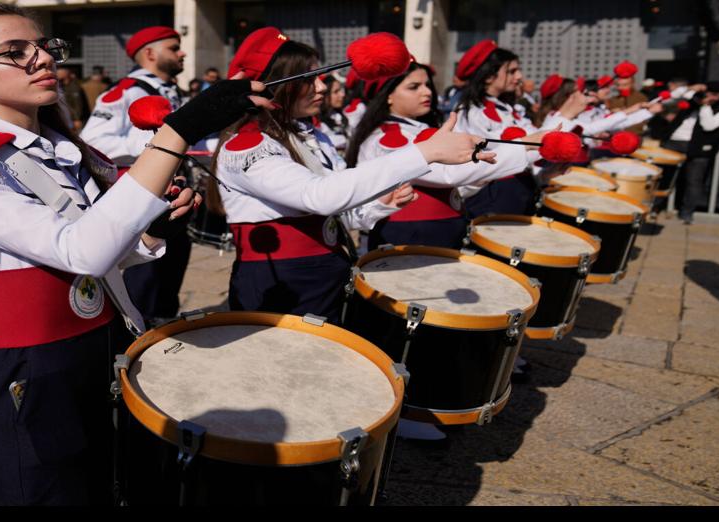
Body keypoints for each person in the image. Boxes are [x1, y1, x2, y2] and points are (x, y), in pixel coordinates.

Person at [0, 0, 261, 505]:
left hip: (103, 351)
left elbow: (103, 256)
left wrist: (149, 231)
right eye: (15, 52)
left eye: (44, 46)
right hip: (32, 375)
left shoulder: (68, 151)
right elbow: (79, 252)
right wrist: (178, 131)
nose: (44, 58)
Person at [210, 26, 487, 319]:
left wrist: (381, 204)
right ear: (274, 85)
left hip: (326, 273)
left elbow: (340, 216)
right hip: (282, 283)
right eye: (308, 79)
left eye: (319, 77)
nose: (321, 87)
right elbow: (318, 197)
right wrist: (424, 153)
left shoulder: (312, 137)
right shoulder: (247, 146)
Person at [348, 61, 532, 252]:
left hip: (438, 229)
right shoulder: (390, 138)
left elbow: (455, 186)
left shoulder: (419, 129)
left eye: (427, 85)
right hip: (413, 234)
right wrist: (522, 148)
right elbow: (447, 174)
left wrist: (477, 180)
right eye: (414, 87)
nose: (427, 92)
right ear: (388, 96)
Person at [81, 25, 191, 325]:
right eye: (174, 48)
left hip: (171, 198)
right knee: (144, 287)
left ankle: (163, 329)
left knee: (168, 280)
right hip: (140, 203)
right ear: (150, 53)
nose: (182, 53)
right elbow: (93, 141)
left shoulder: (170, 91)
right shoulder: (127, 91)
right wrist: (160, 145)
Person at [449, 39, 542, 218]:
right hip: (493, 192)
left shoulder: (505, 107)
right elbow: (499, 153)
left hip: (515, 188)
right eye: (511, 71)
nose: (519, 77)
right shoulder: (473, 112)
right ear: (489, 76)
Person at [663, 80, 719, 223]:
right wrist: (691, 88)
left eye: (715, 94)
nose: (711, 96)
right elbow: (671, 96)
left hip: (700, 148)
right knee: (665, 176)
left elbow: (709, 125)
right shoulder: (694, 97)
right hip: (675, 141)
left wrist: (705, 105)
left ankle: (686, 213)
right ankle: (656, 207)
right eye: (708, 93)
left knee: (694, 181)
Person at [56, 62, 87, 129]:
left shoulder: (73, 87)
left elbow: (77, 104)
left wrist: (76, 119)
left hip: (73, 120)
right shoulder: (62, 85)